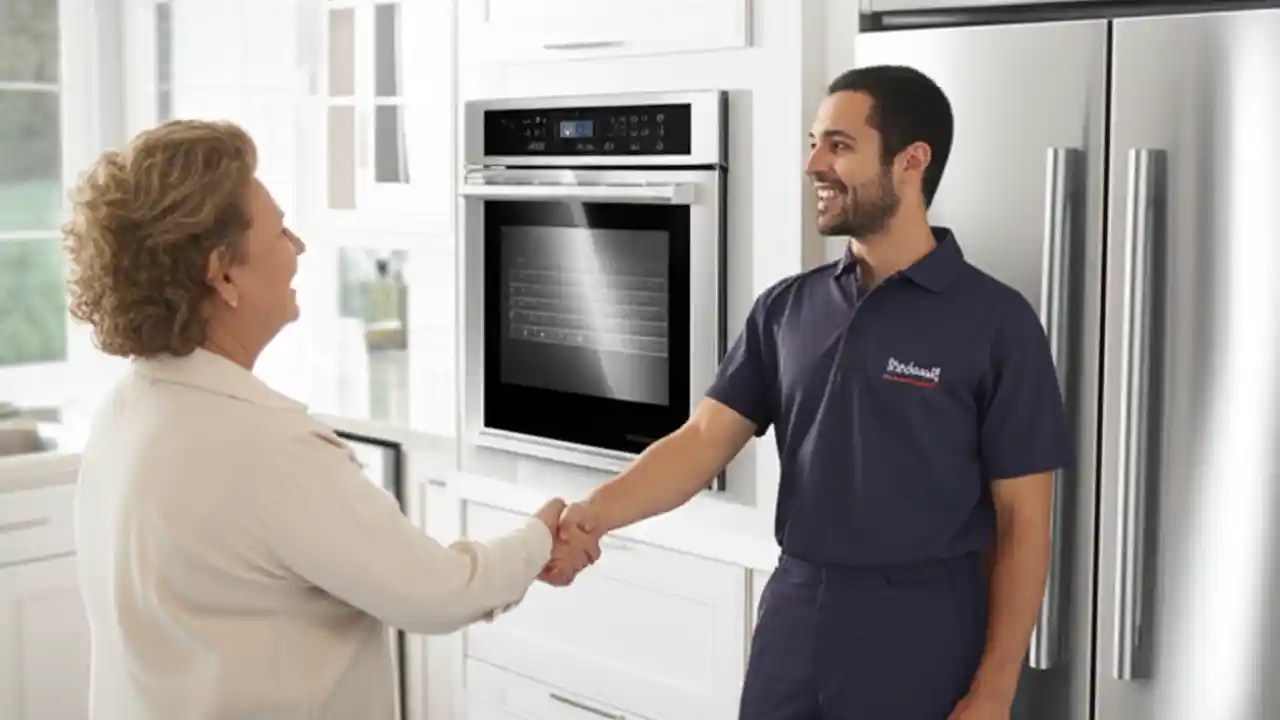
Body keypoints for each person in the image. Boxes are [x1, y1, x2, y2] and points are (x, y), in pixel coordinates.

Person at [545, 65, 1072, 719]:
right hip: (796, 608)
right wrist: (593, 513)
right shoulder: (787, 308)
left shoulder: (996, 323)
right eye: (813, 141)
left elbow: (1025, 524)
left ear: (911, 161)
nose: (813, 164)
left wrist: (995, 688)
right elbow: (703, 441)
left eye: (840, 145)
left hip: (924, 625)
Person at [65, 119, 597, 719]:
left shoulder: (126, 411)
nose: (297, 248)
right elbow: (437, 593)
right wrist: (537, 540)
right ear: (224, 272)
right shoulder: (266, 448)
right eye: (279, 232)